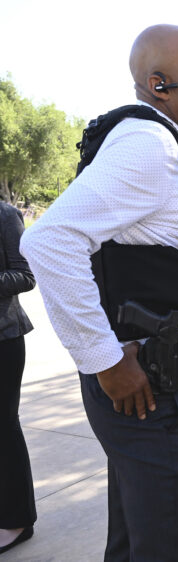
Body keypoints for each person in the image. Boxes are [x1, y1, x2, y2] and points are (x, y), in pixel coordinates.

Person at [20, 24, 178, 561]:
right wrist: (102, 360)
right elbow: (48, 241)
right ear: (160, 84)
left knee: (141, 540)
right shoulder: (148, 145)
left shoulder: (162, 145)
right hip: (148, 381)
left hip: (157, 377)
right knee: (168, 545)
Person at [0, 202, 36, 555]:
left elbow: (26, 275)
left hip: (4, 338)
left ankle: (17, 521)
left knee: (4, 428)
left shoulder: (5, 215)